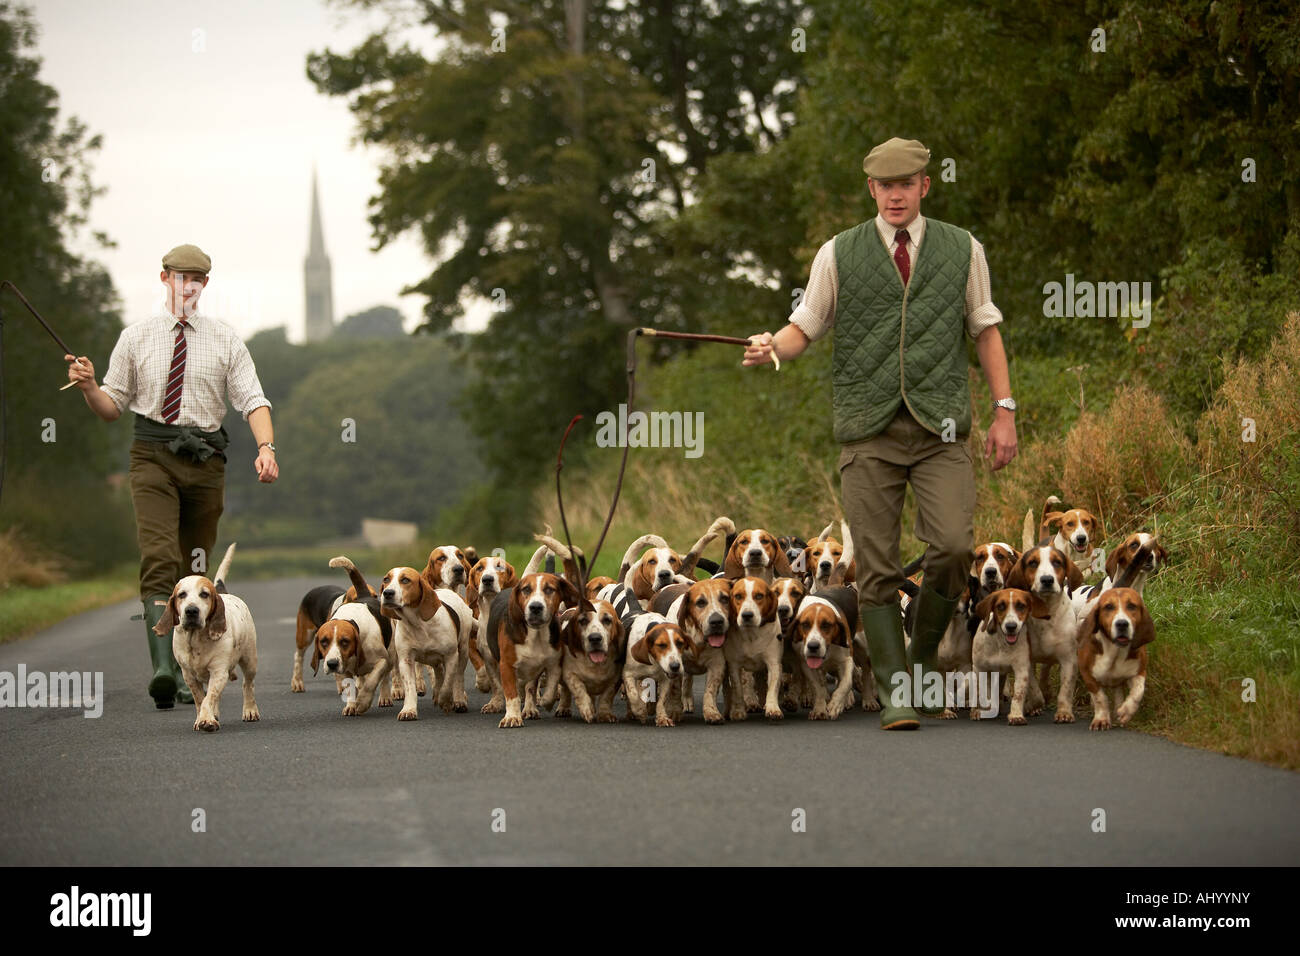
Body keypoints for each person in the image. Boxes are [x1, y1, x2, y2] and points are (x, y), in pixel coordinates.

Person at [743, 137, 1017, 730]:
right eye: (885, 185)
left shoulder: (962, 249)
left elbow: (986, 330)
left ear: (924, 185)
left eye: (907, 183)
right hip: (867, 431)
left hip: (941, 426)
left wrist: (1004, 411)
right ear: (872, 190)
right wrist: (772, 348)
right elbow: (804, 327)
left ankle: (918, 661)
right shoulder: (837, 254)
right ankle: (899, 692)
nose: (896, 194)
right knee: (875, 564)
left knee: (951, 548)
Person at [65, 244, 279, 709]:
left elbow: (253, 399)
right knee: (160, 557)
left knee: (194, 563)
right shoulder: (137, 336)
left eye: (197, 280)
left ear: (205, 285)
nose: (189, 286)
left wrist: (266, 447)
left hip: (206, 460)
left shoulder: (225, 339)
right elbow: (110, 407)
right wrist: (88, 386)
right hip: (152, 455)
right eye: (181, 277)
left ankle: (190, 668)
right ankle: (166, 669)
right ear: (164, 278)